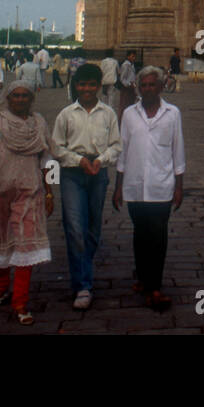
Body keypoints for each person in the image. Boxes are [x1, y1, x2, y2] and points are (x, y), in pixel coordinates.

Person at [0, 81, 55, 325]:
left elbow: (47, 160)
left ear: (31, 99)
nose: (20, 99)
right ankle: (2, 287)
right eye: (15, 95)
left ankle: (20, 302)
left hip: (31, 192)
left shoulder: (39, 124)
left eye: (25, 95)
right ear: (8, 98)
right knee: (0, 243)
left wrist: (49, 192)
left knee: (26, 246)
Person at [112, 66, 185, 312]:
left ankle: (155, 287)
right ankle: (143, 277)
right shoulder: (129, 115)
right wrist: (118, 187)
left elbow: (178, 151)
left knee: (158, 237)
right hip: (134, 185)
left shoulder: (173, 114)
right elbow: (122, 151)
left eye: (152, 85)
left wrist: (179, 187)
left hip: (161, 186)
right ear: (138, 87)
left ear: (161, 86)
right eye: (144, 85)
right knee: (141, 235)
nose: (148, 89)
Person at [52, 63, 121, 310]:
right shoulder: (66, 114)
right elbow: (56, 148)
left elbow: (116, 145)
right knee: (74, 228)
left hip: (98, 173)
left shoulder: (109, 114)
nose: (87, 89)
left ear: (99, 86)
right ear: (76, 85)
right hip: (72, 173)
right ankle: (83, 285)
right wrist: (79, 160)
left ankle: (82, 266)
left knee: (92, 228)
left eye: (92, 84)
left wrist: (100, 161)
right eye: (82, 84)